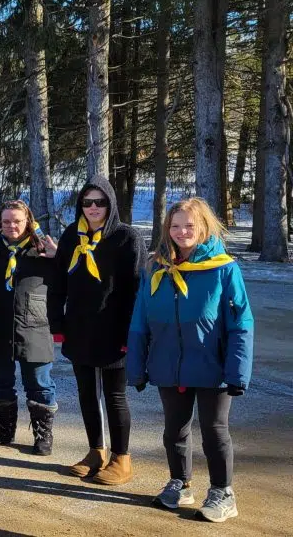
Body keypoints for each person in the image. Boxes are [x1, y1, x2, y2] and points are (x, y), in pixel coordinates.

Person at [127, 197, 254, 523]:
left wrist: (237, 372)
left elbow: (242, 324)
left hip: (214, 367)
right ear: (167, 229)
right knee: (174, 430)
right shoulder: (155, 269)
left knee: (214, 431)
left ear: (203, 228)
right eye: (175, 226)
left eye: (189, 226)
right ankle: (180, 483)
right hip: (169, 363)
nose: (182, 232)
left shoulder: (224, 269)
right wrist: (137, 366)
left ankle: (223, 492)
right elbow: (140, 321)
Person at [49, 177, 146, 485]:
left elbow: (136, 290)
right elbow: (57, 285)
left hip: (114, 331)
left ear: (110, 204)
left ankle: (121, 458)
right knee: (87, 394)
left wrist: (132, 334)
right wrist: (57, 324)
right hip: (79, 329)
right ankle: (96, 451)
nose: (92, 208)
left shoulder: (126, 238)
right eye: (87, 202)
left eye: (99, 202)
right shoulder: (71, 236)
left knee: (115, 395)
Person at [0, 201, 60, 455]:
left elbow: (69, 280)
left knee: (40, 383)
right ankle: (5, 426)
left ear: (28, 222)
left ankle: (43, 433)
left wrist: (60, 257)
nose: (11, 226)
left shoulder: (42, 249)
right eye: (6, 221)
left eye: (17, 221)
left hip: (34, 325)